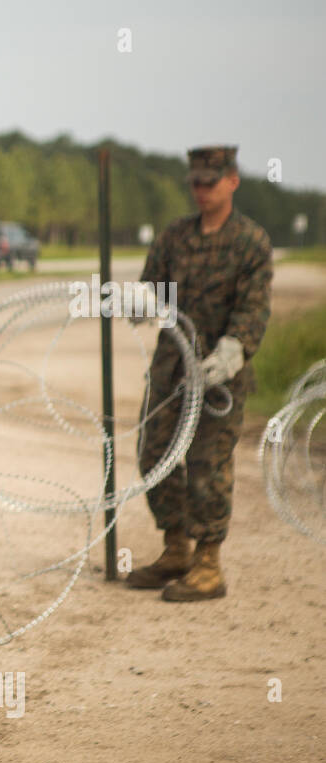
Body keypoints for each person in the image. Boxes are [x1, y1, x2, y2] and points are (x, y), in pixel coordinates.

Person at [126, 146, 273, 600]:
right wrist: (136, 303)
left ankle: (208, 563)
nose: (201, 190)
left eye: (210, 182)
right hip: (172, 369)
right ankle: (176, 548)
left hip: (217, 375)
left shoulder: (250, 242)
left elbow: (253, 308)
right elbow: (150, 288)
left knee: (208, 464)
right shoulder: (175, 237)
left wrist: (233, 350)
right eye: (196, 182)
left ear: (232, 180)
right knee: (156, 453)